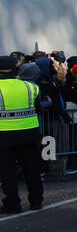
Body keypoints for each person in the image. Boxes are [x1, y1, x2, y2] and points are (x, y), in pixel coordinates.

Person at [0, 54, 45, 213]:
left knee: (8, 172)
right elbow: (38, 109)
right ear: (15, 68)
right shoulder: (30, 87)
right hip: (29, 133)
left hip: (4, 136)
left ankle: (13, 203)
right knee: (32, 170)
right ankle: (36, 201)